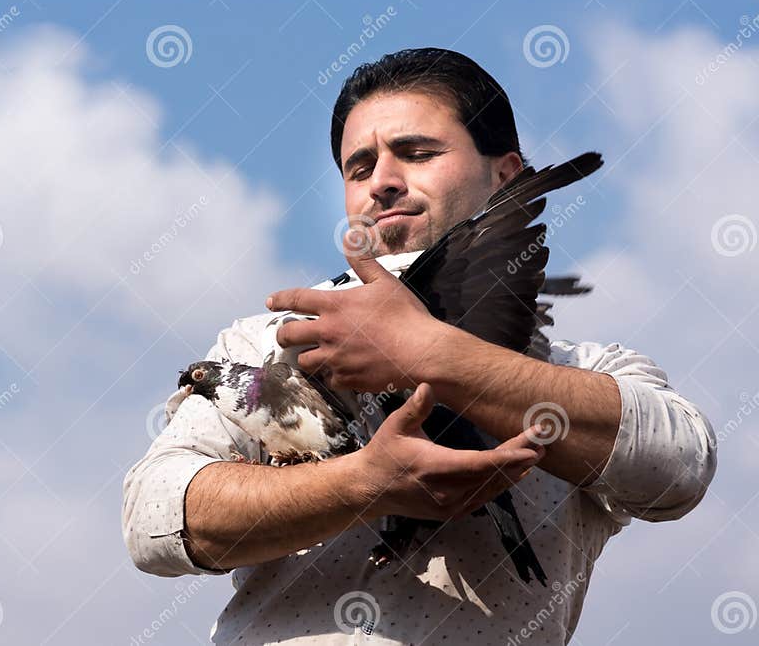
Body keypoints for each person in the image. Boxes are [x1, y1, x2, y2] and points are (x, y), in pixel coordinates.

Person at [122, 47, 717, 645]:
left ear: (505, 177)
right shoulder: (269, 341)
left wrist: (429, 352)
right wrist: (362, 484)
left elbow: (679, 467)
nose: (382, 182)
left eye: (417, 153)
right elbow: (153, 520)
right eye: (359, 168)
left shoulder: (587, 371)